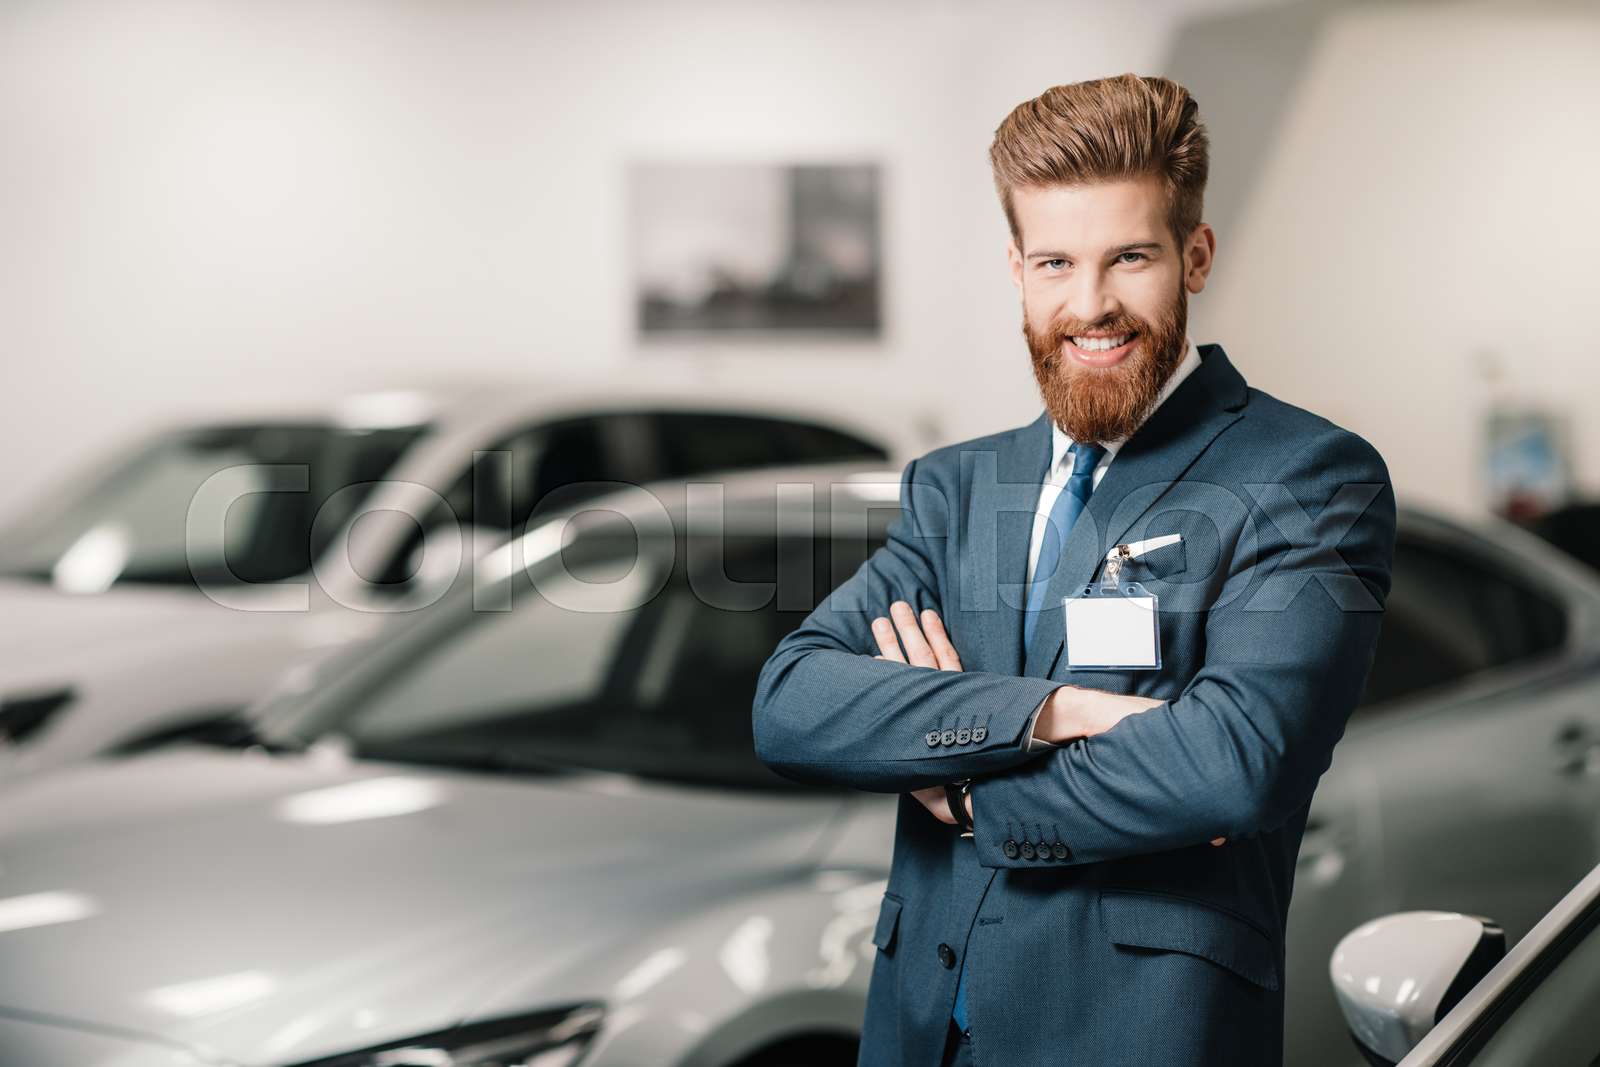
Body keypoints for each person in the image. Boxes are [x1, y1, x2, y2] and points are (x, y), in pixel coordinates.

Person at [751, 73, 1396, 1066]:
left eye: (1128, 257)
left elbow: (1231, 762)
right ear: (1016, 267)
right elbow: (792, 701)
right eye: (1054, 261)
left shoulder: (1304, 476)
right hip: (915, 1035)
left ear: (1195, 255)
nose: (1089, 305)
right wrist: (1056, 708)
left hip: (1133, 1035)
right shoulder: (957, 487)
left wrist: (965, 787)